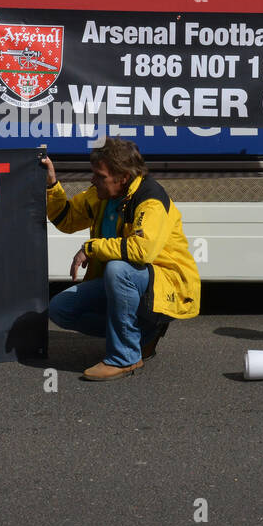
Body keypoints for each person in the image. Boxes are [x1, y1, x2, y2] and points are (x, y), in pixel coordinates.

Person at [41, 139, 200, 380]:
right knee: (60, 309)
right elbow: (67, 220)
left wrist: (91, 248)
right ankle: (143, 334)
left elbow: (142, 251)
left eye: (99, 175)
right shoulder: (101, 194)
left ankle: (124, 357)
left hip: (164, 284)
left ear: (123, 177)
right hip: (131, 282)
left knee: (118, 269)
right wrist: (52, 184)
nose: (93, 180)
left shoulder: (150, 198)